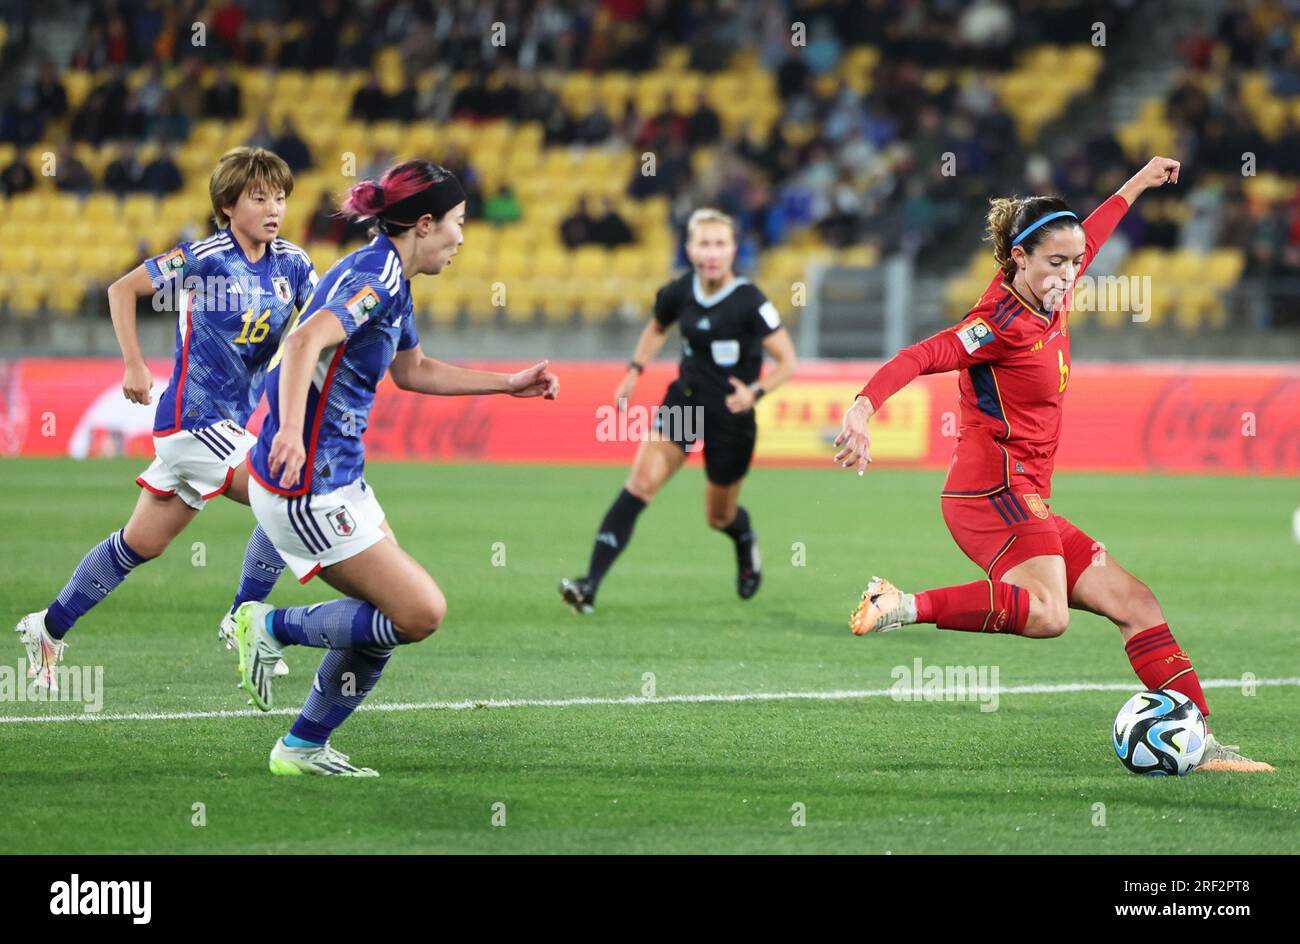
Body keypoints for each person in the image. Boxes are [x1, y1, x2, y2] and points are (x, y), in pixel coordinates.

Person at [833, 156, 1273, 773]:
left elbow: (1092, 231)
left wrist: (1137, 182)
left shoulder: (1056, 283)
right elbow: (923, 354)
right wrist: (862, 405)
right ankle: (900, 604)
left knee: (1136, 604)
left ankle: (1198, 744)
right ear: (1019, 259)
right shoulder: (996, 324)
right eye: (1055, 263)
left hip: (1028, 495)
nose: (1069, 274)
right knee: (1047, 615)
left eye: (1074, 262)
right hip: (990, 492)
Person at [232, 159, 559, 776]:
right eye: (458, 223)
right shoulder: (376, 276)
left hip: (340, 479)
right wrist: (295, 435)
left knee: (388, 620)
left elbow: (413, 371)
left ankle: (302, 747)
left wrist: (508, 383)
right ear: (426, 223)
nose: (463, 237)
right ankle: (268, 625)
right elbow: (303, 343)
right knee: (419, 612)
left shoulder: (393, 278)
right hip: (308, 485)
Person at [15, 148, 315, 689]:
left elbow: (323, 323)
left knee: (140, 544)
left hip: (229, 427)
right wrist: (134, 362)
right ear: (227, 205)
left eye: (281, 197)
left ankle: (47, 628)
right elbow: (122, 290)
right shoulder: (204, 257)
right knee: (286, 490)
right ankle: (244, 616)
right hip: (191, 421)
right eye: (259, 196)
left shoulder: (292, 263)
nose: (274, 208)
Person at [560, 208, 797, 613]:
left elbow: (788, 362)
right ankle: (588, 585)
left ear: (733, 250)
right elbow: (656, 326)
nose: (712, 252)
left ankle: (743, 539)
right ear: (689, 249)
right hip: (685, 402)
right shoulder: (679, 291)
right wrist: (634, 372)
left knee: (719, 517)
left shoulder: (750, 301)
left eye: (720, 244)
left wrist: (755, 392)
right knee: (639, 485)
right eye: (704, 243)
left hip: (730, 417)